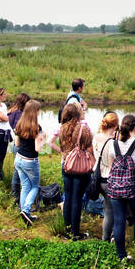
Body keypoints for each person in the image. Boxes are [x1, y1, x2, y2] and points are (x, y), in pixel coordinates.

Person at [101, 114, 135, 264]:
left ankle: (121, 256)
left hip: (116, 189)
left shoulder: (113, 145)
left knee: (119, 220)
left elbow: (111, 169)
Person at [51, 102, 93, 240]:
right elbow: (89, 149)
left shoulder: (62, 128)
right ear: (77, 114)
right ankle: (76, 232)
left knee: (68, 198)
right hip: (80, 168)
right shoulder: (83, 129)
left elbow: (61, 147)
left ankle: (68, 230)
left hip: (66, 166)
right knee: (77, 200)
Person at [12, 98, 45, 226]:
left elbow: (17, 143)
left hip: (19, 159)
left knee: (25, 186)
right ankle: (26, 210)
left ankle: (24, 212)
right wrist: (42, 139)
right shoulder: (37, 127)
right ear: (35, 111)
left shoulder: (20, 124)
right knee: (35, 186)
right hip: (30, 161)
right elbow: (38, 148)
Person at [92, 112, 120, 241]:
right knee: (110, 211)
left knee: (107, 208)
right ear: (114, 126)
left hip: (97, 177)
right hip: (108, 178)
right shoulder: (112, 143)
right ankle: (107, 238)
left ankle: (108, 236)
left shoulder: (96, 137)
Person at [5, 93, 30, 202]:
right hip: (20, 144)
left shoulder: (11, 112)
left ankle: (17, 195)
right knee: (18, 171)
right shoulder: (19, 114)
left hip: (15, 143)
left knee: (18, 169)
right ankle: (16, 197)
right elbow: (18, 129)